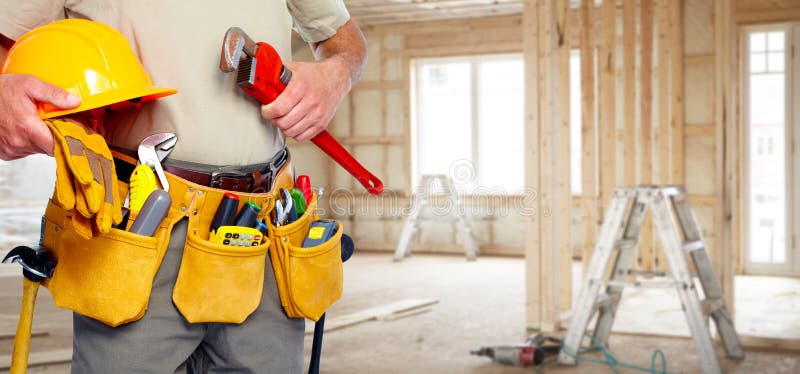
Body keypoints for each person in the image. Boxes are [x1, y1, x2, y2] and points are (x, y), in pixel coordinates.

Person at [0, 1, 366, 373]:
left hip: (264, 230)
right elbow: (7, 52)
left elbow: (347, 42)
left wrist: (337, 74)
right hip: (137, 229)